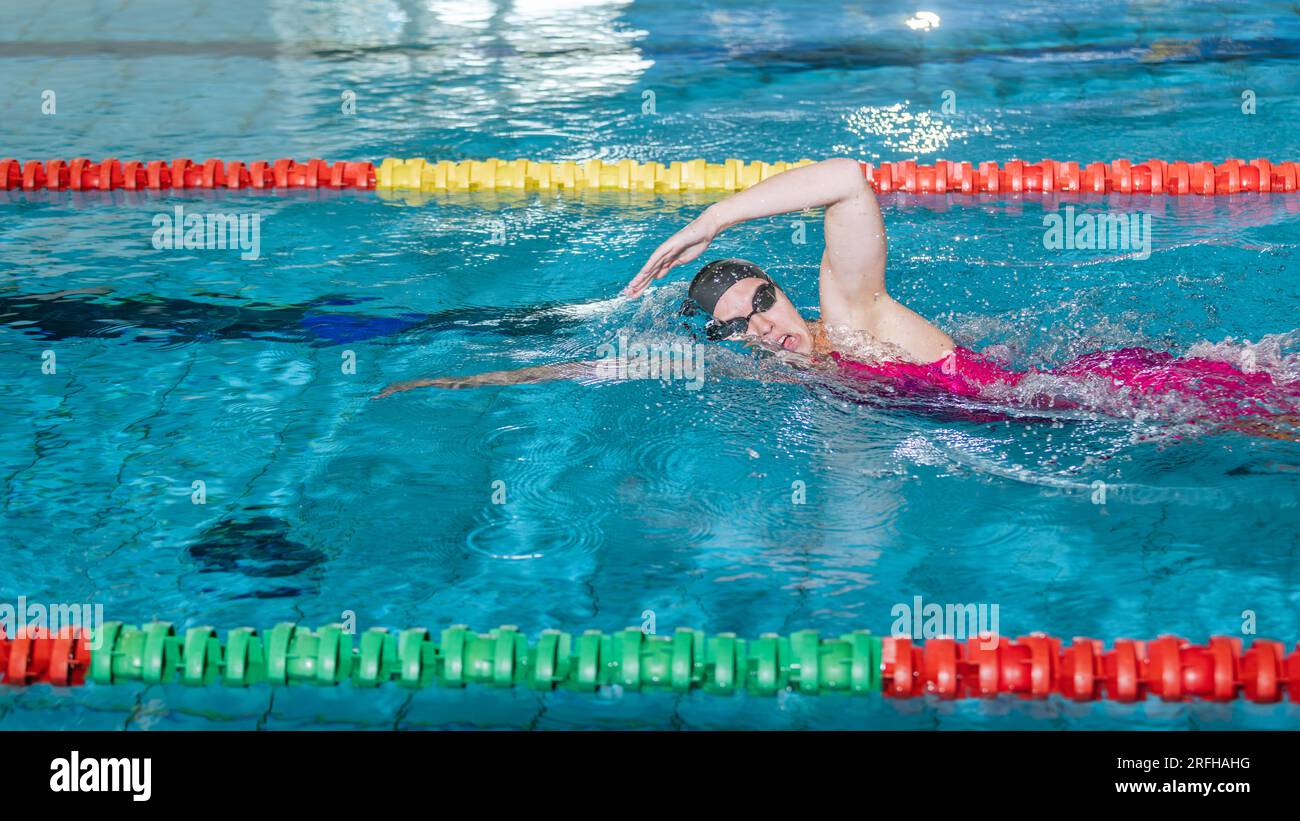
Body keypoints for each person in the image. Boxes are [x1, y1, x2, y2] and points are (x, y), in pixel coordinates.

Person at [375, 159, 1300, 434]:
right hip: (1065, 414)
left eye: (765, 298)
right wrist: (462, 384)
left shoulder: (848, 317)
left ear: (783, 288)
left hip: (1109, 395)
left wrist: (706, 222)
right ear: (724, 340)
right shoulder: (783, 375)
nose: (765, 325)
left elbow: (850, 183)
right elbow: (608, 366)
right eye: (740, 326)